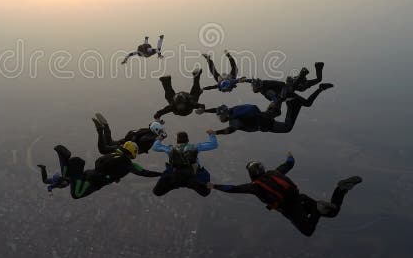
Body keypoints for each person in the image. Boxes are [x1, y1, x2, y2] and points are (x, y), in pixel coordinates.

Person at [208, 153, 362, 236]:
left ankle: (318, 210)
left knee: (308, 230)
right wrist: (290, 155)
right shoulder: (275, 172)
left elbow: (233, 189)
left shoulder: (254, 186)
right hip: (301, 198)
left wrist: (214, 186)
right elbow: (289, 163)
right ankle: (341, 189)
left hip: (290, 209)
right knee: (333, 211)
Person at [197, 83, 333, 134]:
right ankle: (287, 91)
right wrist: (205, 111)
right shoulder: (232, 110)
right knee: (278, 104)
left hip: (267, 123)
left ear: (225, 115)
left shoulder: (234, 121)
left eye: (220, 116)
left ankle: (291, 103)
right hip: (265, 114)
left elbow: (230, 130)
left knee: (287, 127)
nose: (219, 117)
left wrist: (216, 133)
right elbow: (218, 109)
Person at [53, 141, 162, 199]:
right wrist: (161, 173)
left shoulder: (115, 152)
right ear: (133, 153)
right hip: (94, 182)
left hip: (90, 173)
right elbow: (144, 173)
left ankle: (65, 158)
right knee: (76, 194)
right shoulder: (129, 164)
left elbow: (101, 160)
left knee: (67, 178)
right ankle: (69, 161)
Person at [151, 130, 218, 197]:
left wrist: (160, 138)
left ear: (177, 140)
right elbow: (214, 145)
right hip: (192, 176)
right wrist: (211, 134)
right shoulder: (195, 147)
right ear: (187, 140)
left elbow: (155, 147)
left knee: (157, 191)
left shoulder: (170, 149)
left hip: (175, 176)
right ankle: (186, 183)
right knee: (205, 192)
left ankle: (174, 184)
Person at [243, 62, 325, 102]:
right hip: (290, 84)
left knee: (296, 89)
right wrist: (244, 80)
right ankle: (317, 67)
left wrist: (278, 101)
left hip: (288, 86)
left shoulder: (266, 90)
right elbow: (252, 81)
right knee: (317, 80)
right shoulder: (263, 84)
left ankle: (303, 73)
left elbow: (277, 98)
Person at [92, 112, 167, 155]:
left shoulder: (148, 129)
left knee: (109, 142)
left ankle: (105, 126)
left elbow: (153, 125)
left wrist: (159, 122)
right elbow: (147, 143)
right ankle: (100, 129)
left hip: (126, 141)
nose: (160, 133)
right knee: (103, 150)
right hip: (127, 148)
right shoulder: (150, 137)